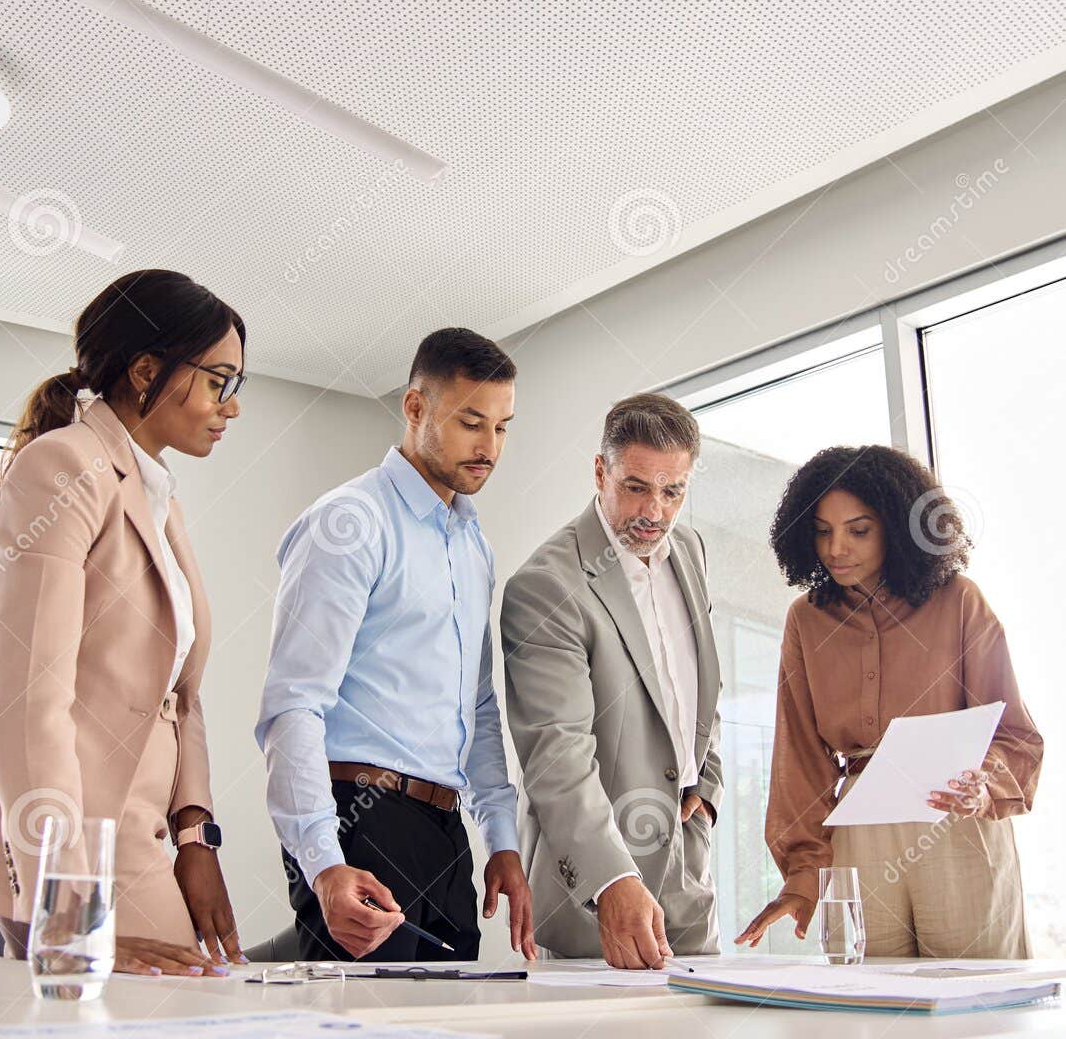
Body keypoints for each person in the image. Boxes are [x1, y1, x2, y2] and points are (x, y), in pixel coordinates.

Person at [0, 269, 247, 978]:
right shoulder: (63, 467)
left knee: (167, 1037)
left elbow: (179, 694)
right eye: (219, 380)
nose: (232, 406)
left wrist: (196, 836)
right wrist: (67, 911)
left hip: (138, 830)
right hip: (69, 836)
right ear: (144, 370)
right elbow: (28, 699)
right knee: (161, 1031)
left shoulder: (160, 498)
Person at [256, 326, 536, 963]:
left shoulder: (473, 546)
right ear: (415, 408)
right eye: (471, 422)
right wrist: (324, 863)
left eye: (502, 427)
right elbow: (293, 709)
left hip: (445, 831)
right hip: (362, 820)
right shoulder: (348, 524)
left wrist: (502, 841)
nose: (489, 446)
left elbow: (481, 707)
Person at [737, 444, 1043, 960]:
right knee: (865, 1008)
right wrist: (803, 875)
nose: (837, 548)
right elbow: (800, 763)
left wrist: (983, 787)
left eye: (858, 530)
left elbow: (1015, 734)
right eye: (822, 530)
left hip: (956, 823)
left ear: (897, 529)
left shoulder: (959, 601)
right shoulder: (805, 621)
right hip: (859, 834)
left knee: (975, 1001)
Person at [501, 393, 722, 968]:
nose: (655, 511)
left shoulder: (690, 553)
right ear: (600, 471)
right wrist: (611, 879)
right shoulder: (547, 586)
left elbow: (699, 693)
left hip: (687, 887)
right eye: (636, 486)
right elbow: (556, 753)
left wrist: (707, 790)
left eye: (672, 491)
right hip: (593, 906)